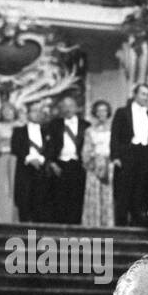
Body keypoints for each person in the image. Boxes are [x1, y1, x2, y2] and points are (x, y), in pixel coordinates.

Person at [111, 83, 148, 227]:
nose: (146, 97)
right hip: (127, 153)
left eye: (147, 94)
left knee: (140, 188)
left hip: (143, 154)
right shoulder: (122, 112)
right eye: (143, 94)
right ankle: (121, 222)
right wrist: (116, 156)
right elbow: (115, 135)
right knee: (124, 189)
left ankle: (137, 221)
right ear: (135, 95)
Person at [46, 92, 87, 224]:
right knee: (59, 196)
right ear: (61, 109)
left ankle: (75, 225)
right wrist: (51, 162)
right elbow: (49, 145)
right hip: (59, 164)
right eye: (65, 106)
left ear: (77, 108)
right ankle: (59, 226)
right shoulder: (54, 124)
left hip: (79, 164)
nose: (68, 109)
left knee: (77, 195)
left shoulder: (85, 125)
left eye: (71, 105)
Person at [11, 98, 52, 223]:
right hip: (24, 168)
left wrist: (41, 159)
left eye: (39, 111)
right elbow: (16, 148)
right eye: (34, 111)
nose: (37, 114)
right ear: (28, 114)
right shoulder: (18, 131)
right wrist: (30, 159)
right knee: (24, 199)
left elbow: (51, 148)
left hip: (41, 168)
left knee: (40, 199)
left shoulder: (47, 131)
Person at [81, 100, 114, 227]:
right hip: (94, 166)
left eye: (104, 110)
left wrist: (108, 161)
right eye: (99, 110)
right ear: (95, 113)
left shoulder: (113, 129)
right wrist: (92, 163)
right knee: (93, 194)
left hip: (109, 165)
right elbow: (86, 150)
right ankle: (92, 222)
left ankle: (107, 223)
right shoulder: (89, 130)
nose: (102, 113)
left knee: (107, 194)